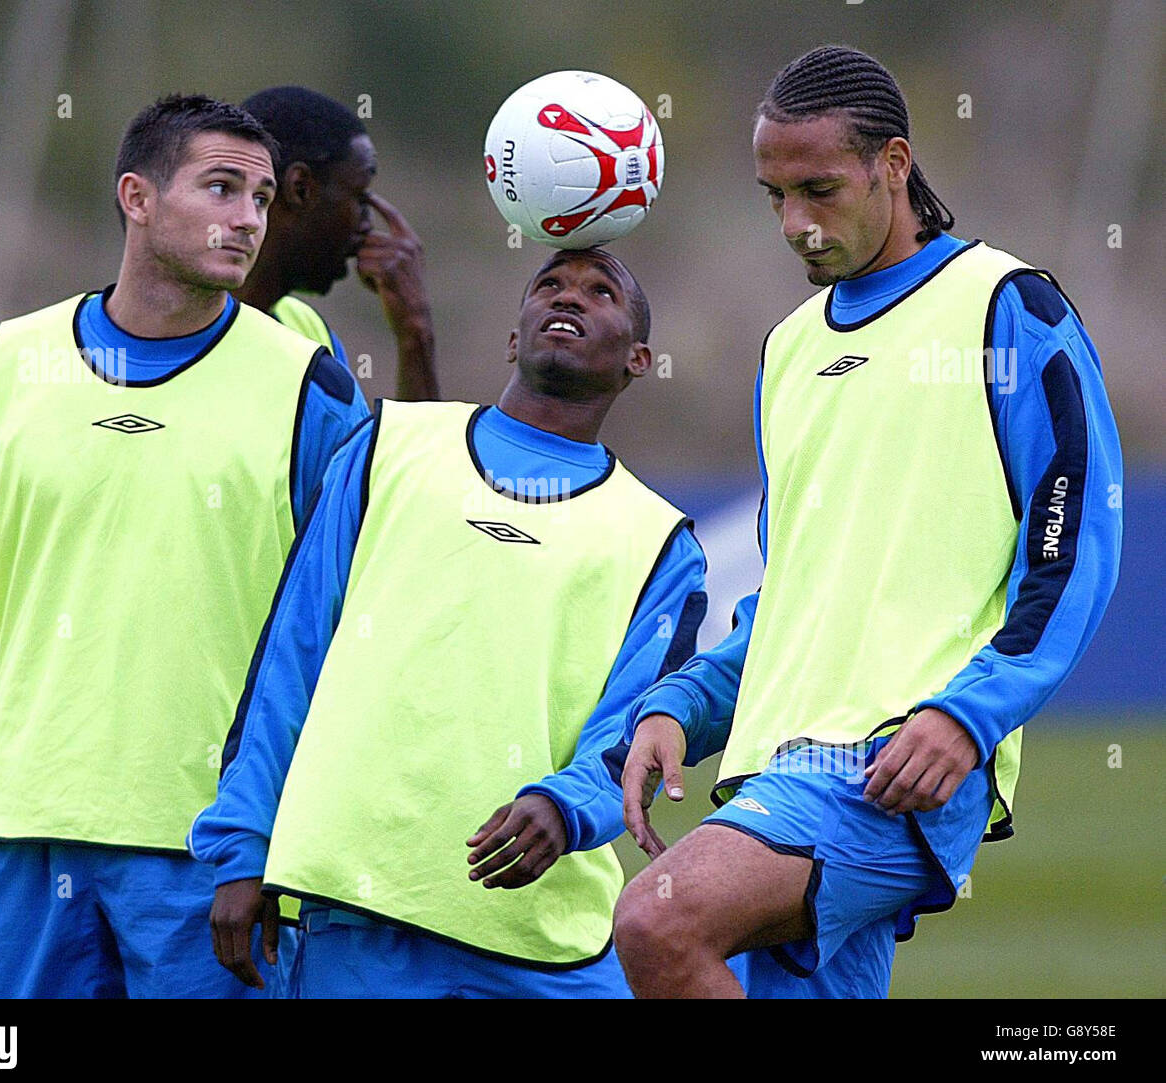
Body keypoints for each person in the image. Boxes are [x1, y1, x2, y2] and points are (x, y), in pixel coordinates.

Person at [612, 46, 1123, 999]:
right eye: (774, 197)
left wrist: (968, 715)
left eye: (820, 189)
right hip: (776, 765)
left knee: (656, 917)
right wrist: (681, 705)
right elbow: (795, 598)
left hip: (894, 764)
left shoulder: (1008, 308)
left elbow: (1074, 546)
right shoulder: (789, 352)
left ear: (894, 164)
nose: (797, 224)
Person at [189, 247, 708, 998]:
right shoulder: (386, 447)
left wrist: (564, 807)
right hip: (358, 909)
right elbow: (291, 656)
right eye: (551, 284)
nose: (571, 297)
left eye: (602, 292)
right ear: (513, 335)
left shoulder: (661, 540)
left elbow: (633, 733)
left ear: (638, 358)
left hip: (542, 944)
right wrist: (243, 845)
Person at [0, 94, 369, 998]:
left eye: (259, 197)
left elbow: (346, 617)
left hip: (210, 848)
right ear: (135, 197)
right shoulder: (13, 361)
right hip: (27, 828)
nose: (247, 218)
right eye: (220, 188)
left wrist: (262, 834)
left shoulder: (310, 387)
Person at [235, 85, 438, 401]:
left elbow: (397, 453)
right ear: (300, 189)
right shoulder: (171, 333)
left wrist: (414, 333)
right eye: (359, 197)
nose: (368, 225)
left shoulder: (308, 330)